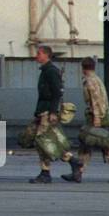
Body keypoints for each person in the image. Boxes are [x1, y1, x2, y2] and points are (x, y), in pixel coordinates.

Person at [65, 57, 109, 183]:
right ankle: (78, 172)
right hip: (98, 115)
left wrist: (97, 118)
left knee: (104, 144)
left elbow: (96, 101)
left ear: (83, 68)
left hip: (96, 116)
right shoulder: (97, 79)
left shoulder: (90, 81)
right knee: (86, 144)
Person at [30, 44, 83, 184]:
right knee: (47, 142)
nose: (37, 56)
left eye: (39, 53)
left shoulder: (51, 71)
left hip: (47, 112)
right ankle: (71, 162)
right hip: (44, 111)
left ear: (46, 55)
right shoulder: (46, 70)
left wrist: (53, 112)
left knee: (43, 141)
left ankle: (46, 172)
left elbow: (57, 92)